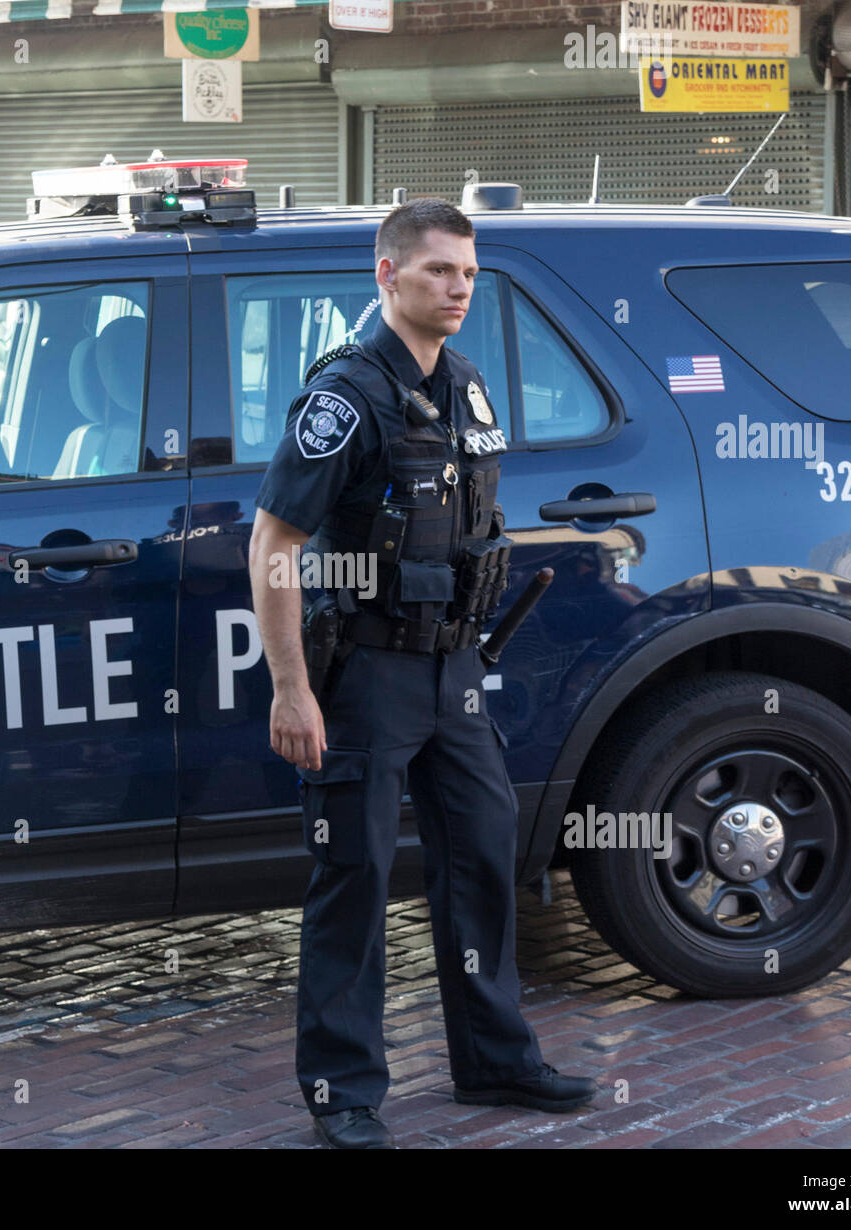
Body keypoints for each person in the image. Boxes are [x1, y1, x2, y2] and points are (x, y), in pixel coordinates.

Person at [248, 198, 596, 1150]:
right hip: (364, 676)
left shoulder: (465, 385)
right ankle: (343, 1090)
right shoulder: (345, 398)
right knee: (353, 875)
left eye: (470, 274)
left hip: (455, 675)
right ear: (387, 275)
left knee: (483, 856)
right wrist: (292, 688)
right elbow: (274, 541)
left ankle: (494, 1059)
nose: (458, 289)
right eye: (440, 271)